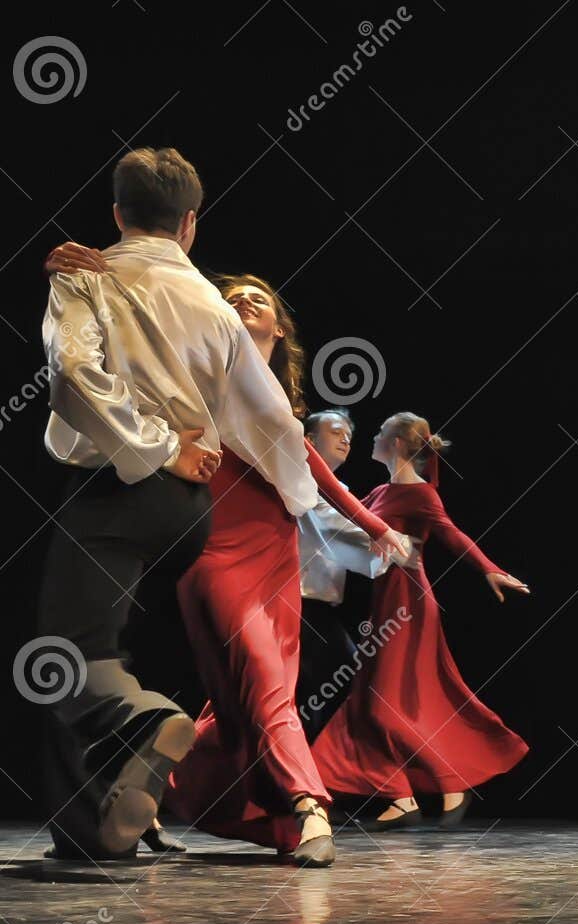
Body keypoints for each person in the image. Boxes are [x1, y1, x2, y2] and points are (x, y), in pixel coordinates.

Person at [35, 148, 305, 860]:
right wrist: (297, 495)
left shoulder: (83, 274)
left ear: (118, 213)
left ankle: (145, 718)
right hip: (191, 511)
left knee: (64, 656)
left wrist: (152, 446)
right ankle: (94, 831)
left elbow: (70, 375)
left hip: (116, 492)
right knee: (97, 645)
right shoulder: (214, 307)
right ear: (190, 222)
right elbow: (271, 416)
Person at [160, 274, 408, 867]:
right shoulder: (193, 381)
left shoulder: (281, 409)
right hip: (212, 552)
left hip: (274, 556)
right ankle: (308, 805)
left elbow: (321, 479)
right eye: (232, 297)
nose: (245, 301)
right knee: (266, 681)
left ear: (278, 328)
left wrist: (381, 529)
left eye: (259, 299)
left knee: (239, 701)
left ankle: (151, 788)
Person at [311, 413, 530, 829]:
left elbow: (452, 534)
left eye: (378, 433)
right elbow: (350, 519)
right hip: (382, 604)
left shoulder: (420, 495)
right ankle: (400, 796)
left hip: (408, 603)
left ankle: (452, 781)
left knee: (383, 708)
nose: (370, 438)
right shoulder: (379, 490)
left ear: (394, 444)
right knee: (365, 704)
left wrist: (489, 569)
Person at [296, 409, 396, 739]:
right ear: (309, 442)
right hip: (298, 604)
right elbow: (336, 529)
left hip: (317, 607)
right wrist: (394, 542)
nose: (346, 439)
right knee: (343, 676)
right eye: (337, 431)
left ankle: (303, 772)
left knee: (316, 694)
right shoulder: (302, 481)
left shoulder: (339, 490)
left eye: (349, 436)